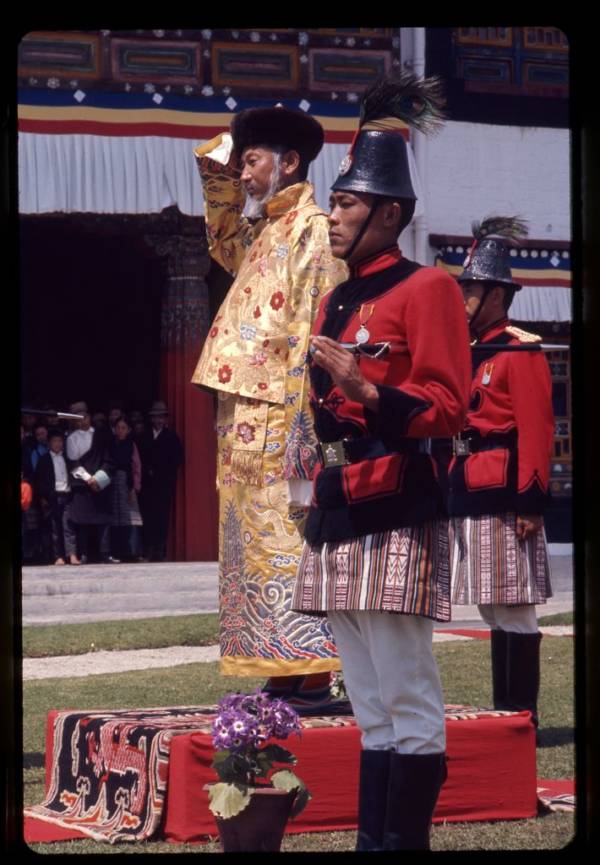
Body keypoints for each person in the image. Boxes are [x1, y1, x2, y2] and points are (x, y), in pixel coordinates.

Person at [290, 73, 471, 850]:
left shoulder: (428, 288)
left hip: (398, 500)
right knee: (367, 700)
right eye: (334, 203)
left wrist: (368, 389)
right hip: (339, 503)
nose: (332, 217)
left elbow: (450, 407)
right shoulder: (334, 300)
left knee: (407, 692)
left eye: (346, 204)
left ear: (389, 212)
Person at [190, 102, 348, 708]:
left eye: (253, 161)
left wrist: (308, 435)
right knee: (251, 551)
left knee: (289, 545)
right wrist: (222, 163)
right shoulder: (264, 233)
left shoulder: (313, 231)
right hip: (246, 421)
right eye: (243, 163)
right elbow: (223, 238)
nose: (245, 174)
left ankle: (311, 671)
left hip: (285, 422)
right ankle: (279, 666)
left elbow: (317, 333)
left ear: (289, 163)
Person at [446, 216, 554, 728]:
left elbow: (536, 428)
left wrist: (531, 500)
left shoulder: (518, 348)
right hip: (469, 489)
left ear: (496, 294)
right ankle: (504, 715)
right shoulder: (467, 351)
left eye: (470, 289)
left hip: (507, 494)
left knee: (513, 606)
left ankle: (521, 716)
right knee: (491, 606)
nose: (463, 297)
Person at [137, 401, 182, 562]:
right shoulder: (144, 436)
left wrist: (163, 472)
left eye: (161, 417)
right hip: (147, 484)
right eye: (156, 417)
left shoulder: (172, 437)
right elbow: (138, 459)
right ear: (151, 419)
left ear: (165, 419)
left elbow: (177, 460)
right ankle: (147, 550)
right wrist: (147, 470)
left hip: (163, 484)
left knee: (162, 517)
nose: (158, 420)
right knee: (147, 517)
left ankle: (160, 550)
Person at [66, 423, 116, 564]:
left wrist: (97, 479)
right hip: (82, 486)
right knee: (83, 522)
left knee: (103, 521)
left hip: (100, 486)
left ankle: (105, 553)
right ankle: (84, 554)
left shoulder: (104, 447)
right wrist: (88, 479)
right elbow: (73, 463)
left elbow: (109, 463)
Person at [33, 428, 78, 565]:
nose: (57, 444)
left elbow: (75, 474)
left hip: (67, 494)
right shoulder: (44, 460)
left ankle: (72, 554)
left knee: (68, 525)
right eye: (54, 441)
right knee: (54, 527)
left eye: (59, 441)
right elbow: (39, 480)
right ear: (49, 443)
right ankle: (58, 556)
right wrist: (42, 497)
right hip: (53, 496)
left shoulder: (68, 459)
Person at [108, 416, 143, 561]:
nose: (120, 431)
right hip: (112, 482)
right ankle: (117, 552)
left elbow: (136, 467)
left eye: (123, 428)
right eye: (118, 428)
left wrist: (135, 487)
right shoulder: (110, 444)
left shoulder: (131, 445)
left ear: (128, 430)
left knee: (130, 518)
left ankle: (132, 552)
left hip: (127, 483)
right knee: (114, 519)